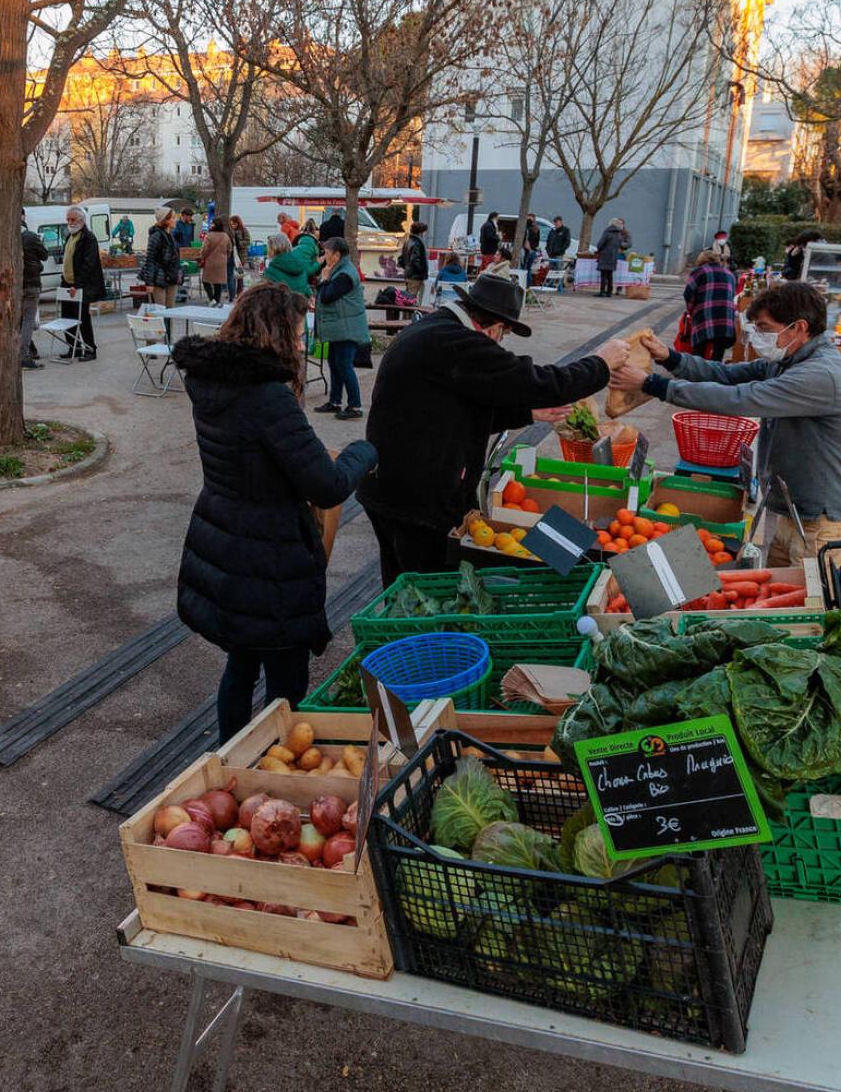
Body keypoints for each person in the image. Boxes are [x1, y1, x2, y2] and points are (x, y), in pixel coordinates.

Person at [171, 283, 378, 738]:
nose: (303, 343)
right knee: (286, 684)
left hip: (225, 537)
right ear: (276, 333)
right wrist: (363, 451)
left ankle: (230, 758)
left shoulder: (209, 378)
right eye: (298, 333)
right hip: (270, 554)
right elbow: (327, 486)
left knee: (241, 663)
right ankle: (274, 767)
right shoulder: (267, 398)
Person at [360, 269, 629, 584]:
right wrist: (600, 363)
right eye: (504, 336)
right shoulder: (456, 342)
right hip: (417, 498)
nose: (501, 343)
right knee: (427, 592)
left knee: (402, 591)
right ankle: (421, 636)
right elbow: (537, 381)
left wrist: (526, 413)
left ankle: (399, 634)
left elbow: (454, 411)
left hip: (393, 487)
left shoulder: (437, 332)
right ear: (496, 327)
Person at [610, 280, 841, 566]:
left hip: (829, 525)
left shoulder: (822, 375)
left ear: (798, 328)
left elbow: (739, 398)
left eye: (764, 328)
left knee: (806, 608)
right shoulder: (788, 361)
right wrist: (671, 359)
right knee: (778, 602)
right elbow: (726, 375)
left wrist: (654, 385)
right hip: (797, 516)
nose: (757, 337)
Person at [314, 235, 368, 421]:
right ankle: (335, 401)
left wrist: (324, 278)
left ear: (337, 255)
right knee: (335, 365)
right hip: (339, 326)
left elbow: (327, 296)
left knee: (344, 366)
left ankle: (355, 405)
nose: (324, 256)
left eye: (327, 252)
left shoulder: (344, 274)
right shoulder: (339, 269)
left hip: (347, 327)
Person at [60, 204, 106, 360]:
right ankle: (74, 347)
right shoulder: (70, 236)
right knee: (67, 317)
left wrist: (77, 285)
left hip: (81, 285)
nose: (70, 222)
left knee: (82, 319)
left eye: (73, 219)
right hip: (67, 283)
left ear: (81, 220)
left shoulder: (88, 238)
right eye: (68, 219)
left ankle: (90, 349)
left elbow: (88, 264)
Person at [683, 248, 740, 362]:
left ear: (701, 260)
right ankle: (714, 374)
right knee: (718, 352)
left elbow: (688, 294)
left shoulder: (698, 272)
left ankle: (698, 374)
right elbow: (732, 295)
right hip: (726, 317)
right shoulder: (730, 274)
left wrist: (691, 311)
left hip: (704, 316)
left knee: (699, 350)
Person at [140, 207, 183, 308]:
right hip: (159, 279)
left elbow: (175, 258)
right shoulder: (156, 236)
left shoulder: (170, 236)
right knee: (160, 310)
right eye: (173, 217)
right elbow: (150, 260)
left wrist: (179, 272)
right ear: (166, 220)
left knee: (170, 310)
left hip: (172, 277)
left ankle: (169, 324)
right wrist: (149, 283)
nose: (175, 220)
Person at [19, 214, 46, 370]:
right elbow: (44, 255)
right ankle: (24, 356)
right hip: (31, 284)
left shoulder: (6, 236)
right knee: (28, 320)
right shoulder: (30, 236)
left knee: (18, 320)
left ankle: (22, 352)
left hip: (15, 285)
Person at [199, 218, 234, 305]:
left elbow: (204, 250)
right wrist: (225, 257)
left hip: (210, 262)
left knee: (206, 281)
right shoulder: (225, 236)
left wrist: (202, 256)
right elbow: (230, 249)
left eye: (212, 223)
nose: (211, 225)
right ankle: (217, 300)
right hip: (222, 263)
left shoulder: (209, 236)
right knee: (218, 282)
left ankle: (212, 299)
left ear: (215, 225)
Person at [595, 217, 630, 297]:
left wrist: (599, 248)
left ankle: (602, 291)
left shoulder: (607, 232)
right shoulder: (619, 234)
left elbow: (600, 244)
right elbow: (620, 245)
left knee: (603, 274)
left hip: (605, 255)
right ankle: (609, 292)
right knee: (610, 275)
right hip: (613, 256)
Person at [397, 220, 430, 291]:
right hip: (415, 276)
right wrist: (422, 273)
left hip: (408, 274)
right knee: (411, 297)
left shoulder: (407, 242)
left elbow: (401, 259)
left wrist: (406, 268)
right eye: (423, 232)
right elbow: (415, 260)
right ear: (420, 232)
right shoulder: (417, 243)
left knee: (408, 296)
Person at [226, 214, 252, 299]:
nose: (233, 226)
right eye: (231, 224)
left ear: (238, 223)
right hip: (231, 255)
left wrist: (239, 242)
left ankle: (239, 293)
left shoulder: (243, 230)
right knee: (231, 275)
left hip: (240, 256)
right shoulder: (229, 231)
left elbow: (248, 241)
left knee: (239, 275)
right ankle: (232, 293)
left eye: (234, 224)